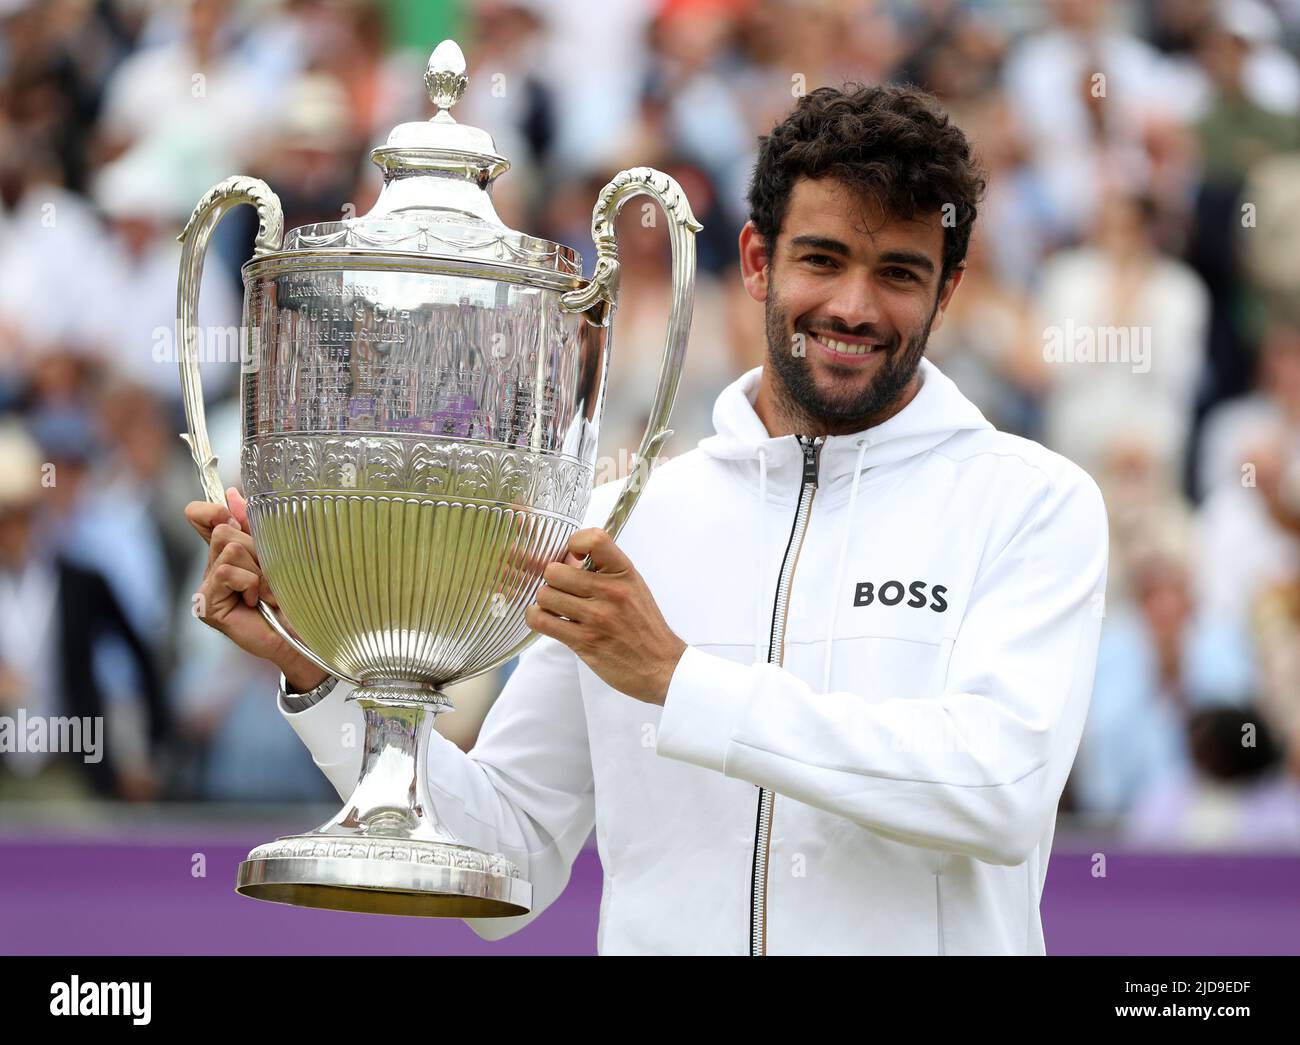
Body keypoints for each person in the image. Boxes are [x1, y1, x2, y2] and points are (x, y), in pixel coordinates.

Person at [186, 84, 1109, 955]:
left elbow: (1000, 790)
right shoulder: (627, 520)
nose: (854, 307)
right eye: (822, 259)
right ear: (756, 260)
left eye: (899, 273)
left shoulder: (1032, 502)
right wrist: (318, 664)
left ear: (947, 291)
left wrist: (676, 679)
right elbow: (507, 856)